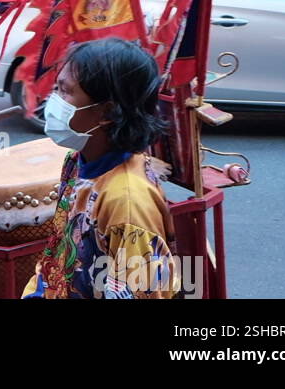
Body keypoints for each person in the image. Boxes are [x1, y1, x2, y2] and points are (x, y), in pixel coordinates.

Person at [23, 38, 180, 299]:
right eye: (57, 88)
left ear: (106, 113)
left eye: (65, 91)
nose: (53, 101)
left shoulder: (126, 201)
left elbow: (143, 292)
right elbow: (59, 251)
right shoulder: (76, 161)